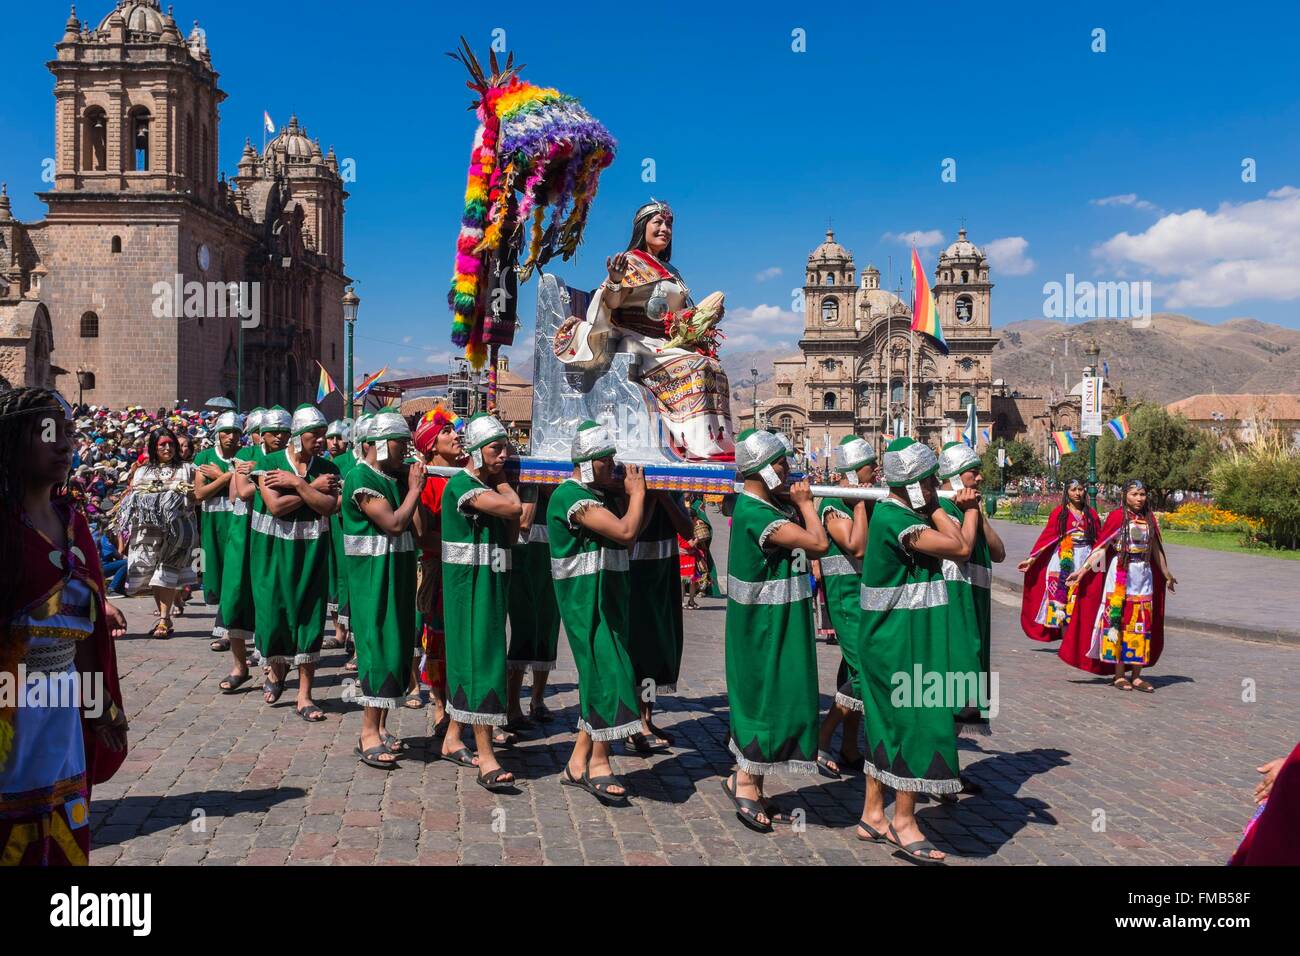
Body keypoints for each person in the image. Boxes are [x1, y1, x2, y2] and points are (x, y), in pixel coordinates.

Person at [0, 386, 128, 866]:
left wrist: (98, 706)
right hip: (8, 708)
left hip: (62, 710)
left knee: (62, 824)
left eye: (69, 434)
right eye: (48, 433)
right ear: (12, 440)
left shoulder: (74, 527)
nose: (64, 445)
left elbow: (89, 636)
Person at [855, 437, 980, 863]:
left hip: (893, 637)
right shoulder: (897, 519)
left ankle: (873, 813)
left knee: (886, 726)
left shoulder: (895, 513)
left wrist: (928, 504)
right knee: (915, 723)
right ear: (912, 485)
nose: (933, 487)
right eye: (928, 482)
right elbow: (962, 548)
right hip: (898, 641)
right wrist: (948, 508)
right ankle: (903, 822)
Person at [552, 200, 733, 460]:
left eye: (669, 224)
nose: (665, 229)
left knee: (713, 366)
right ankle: (694, 447)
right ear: (642, 228)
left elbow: (676, 313)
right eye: (657, 223)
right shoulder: (631, 262)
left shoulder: (672, 271)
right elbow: (612, 303)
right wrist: (615, 281)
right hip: (636, 341)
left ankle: (714, 445)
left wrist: (703, 319)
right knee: (697, 367)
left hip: (663, 341)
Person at [721, 428, 828, 832]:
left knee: (777, 695)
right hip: (764, 628)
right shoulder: (757, 515)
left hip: (776, 621)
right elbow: (817, 544)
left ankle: (750, 779)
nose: (788, 469)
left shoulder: (762, 508)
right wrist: (807, 504)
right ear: (764, 469)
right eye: (781, 462)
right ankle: (746, 783)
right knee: (764, 699)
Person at [549, 421, 647, 803]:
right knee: (608, 673)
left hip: (608, 597)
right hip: (584, 601)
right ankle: (601, 763)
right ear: (588, 463)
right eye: (608, 462)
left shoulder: (597, 495)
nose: (615, 468)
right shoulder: (571, 498)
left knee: (600, 673)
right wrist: (637, 494)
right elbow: (625, 532)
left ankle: (577, 762)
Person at [439, 413, 521, 792]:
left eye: (505, 447)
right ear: (474, 452)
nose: (503, 454)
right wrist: (506, 482)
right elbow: (513, 509)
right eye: (495, 448)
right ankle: (486, 757)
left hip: (489, 582)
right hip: (467, 588)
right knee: (479, 661)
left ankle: (453, 737)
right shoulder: (461, 485)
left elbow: (516, 524)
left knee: (483, 653)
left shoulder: (481, 482)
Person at [342, 409, 424, 769]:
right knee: (376, 644)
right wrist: (416, 488)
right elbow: (393, 523)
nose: (406, 449)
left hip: (398, 571)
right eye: (400, 442)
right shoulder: (360, 477)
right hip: (372, 576)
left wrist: (411, 487)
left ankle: (382, 726)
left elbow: (417, 529)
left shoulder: (393, 478)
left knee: (396, 644)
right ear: (378, 443)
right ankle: (367, 733)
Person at [250, 404, 341, 720]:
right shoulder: (269, 463)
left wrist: (302, 485)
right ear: (297, 437)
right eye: (314, 435)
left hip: (312, 550)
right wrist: (312, 490)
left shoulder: (327, 467)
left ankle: (305, 695)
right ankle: (276, 672)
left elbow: (328, 506)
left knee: (309, 617)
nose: (320, 441)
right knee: (276, 614)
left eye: (323, 435)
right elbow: (275, 506)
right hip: (273, 551)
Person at [1066, 479, 1177, 692]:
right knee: (1118, 621)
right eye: (1134, 494)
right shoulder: (1118, 517)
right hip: (1120, 575)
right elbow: (1100, 548)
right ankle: (1119, 675)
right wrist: (1082, 571)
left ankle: (1136, 676)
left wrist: (1166, 574)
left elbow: (1156, 549)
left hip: (1143, 576)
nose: (1139, 498)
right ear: (1125, 495)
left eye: (1142, 494)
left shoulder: (1149, 518)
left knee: (1140, 625)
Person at [934, 441, 1006, 744]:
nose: (979, 479)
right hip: (953, 605)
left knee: (969, 681)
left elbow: (999, 552)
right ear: (953, 477)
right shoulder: (942, 510)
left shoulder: (970, 510)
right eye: (971, 474)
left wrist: (977, 513)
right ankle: (940, 765)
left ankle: (948, 768)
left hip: (975, 605)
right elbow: (961, 550)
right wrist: (969, 512)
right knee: (953, 685)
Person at [814, 436, 877, 779]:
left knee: (851, 671)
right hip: (846, 595)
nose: (876, 471)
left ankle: (850, 746)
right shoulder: (833, 503)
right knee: (864, 671)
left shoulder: (866, 498)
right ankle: (823, 737)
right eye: (870, 467)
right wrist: (858, 502)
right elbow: (857, 547)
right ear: (853, 473)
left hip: (865, 594)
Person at [626, 489, 693, 754]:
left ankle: (648, 718)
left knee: (658, 651)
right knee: (637, 649)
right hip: (635, 574)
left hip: (664, 572)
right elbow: (633, 531)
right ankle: (634, 724)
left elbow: (687, 531)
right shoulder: (629, 489)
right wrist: (647, 498)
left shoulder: (671, 491)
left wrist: (665, 498)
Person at [118, 426, 198, 638]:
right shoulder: (142, 471)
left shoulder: (187, 469)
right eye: (162, 444)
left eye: (171, 444)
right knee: (154, 576)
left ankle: (164, 619)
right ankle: (165, 616)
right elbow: (134, 497)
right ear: (153, 447)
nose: (167, 448)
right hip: (147, 531)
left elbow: (194, 497)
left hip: (177, 531)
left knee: (166, 572)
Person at [413, 406, 463, 735]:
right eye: (447, 433)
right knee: (439, 639)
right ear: (432, 445)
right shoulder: (427, 481)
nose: (456, 436)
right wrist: (460, 541)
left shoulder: (468, 473)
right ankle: (440, 705)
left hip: (467, 568)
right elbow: (421, 533)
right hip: (439, 567)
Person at [1018, 479, 1102, 664]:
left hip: (1085, 560)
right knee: (1062, 603)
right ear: (1067, 492)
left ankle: (1080, 640)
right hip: (1063, 561)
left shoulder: (1091, 515)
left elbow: (1100, 541)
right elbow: (1047, 537)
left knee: (1082, 599)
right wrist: (1032, 559)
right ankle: (1067, 643)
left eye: (1080, 489)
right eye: (1073, 490)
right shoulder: (1059, 514)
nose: (1078, 493)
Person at [216, 408, 268, 694]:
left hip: (270, 528)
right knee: (235, 593)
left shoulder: (279, 460)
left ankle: (273, 666)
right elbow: (239, 494)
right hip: (242, 525)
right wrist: (241, 473)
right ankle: (239, 666)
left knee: (269, 596)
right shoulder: (244, 458)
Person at [506, 484, 562, 726]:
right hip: (521, 551)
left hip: (551, 548)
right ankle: (511, 704)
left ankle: (537, 699)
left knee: (548, 623)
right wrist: (535, 484)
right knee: (522, 625)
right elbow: (523, 522)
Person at [193, 412, 245, 653]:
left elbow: (245, 489)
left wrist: (222, 478)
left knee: (235, 575)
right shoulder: (204, 457)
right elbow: (200, 494)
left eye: (235, 432)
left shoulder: (245, 456)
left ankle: (227, 630)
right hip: (213, 521)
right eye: (226, 431)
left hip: (237, 520)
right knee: (216, 573)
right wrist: (227, 477)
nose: (231, 437)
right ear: (218, 433)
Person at [323, 419, 355, 660]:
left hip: (350, 528)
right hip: (331, 525)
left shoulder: (354, 463)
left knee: (351, 577)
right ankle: (339, 632)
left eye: (339, 438)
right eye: (330, 438)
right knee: (333, 574)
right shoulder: (329, 464)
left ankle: (355, 636)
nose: (334, 443)